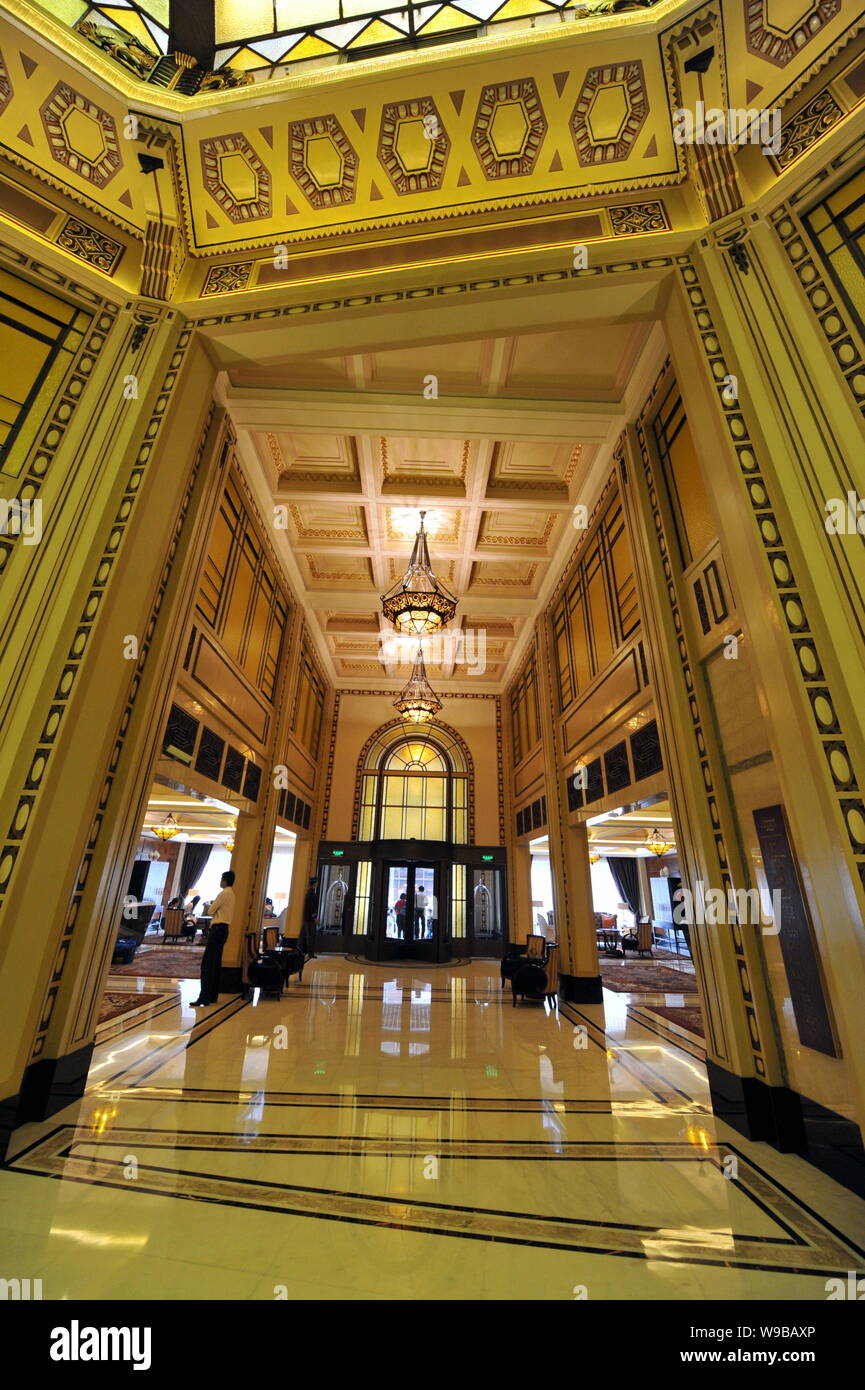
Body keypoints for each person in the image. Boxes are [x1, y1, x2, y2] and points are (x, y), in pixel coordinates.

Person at [192, 871, 235, 1006]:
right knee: (215, 963)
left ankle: (204, 997)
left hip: (217, 930)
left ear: (225, 880)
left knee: (207, 964)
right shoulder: (232, 894)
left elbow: (210, 911)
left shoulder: (224, 893)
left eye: (221, 879)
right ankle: (212, 995)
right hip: (224, 930)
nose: (220, 881)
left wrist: (212, 905)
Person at [299, 875, 318, 958]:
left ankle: (308, 952)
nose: (317, 883)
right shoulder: (311, 893)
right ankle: (310, 953)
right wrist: (315, 917)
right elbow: (311, 906)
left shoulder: (311, 892)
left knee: (307, 935)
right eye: (317, 882)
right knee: (310, 936)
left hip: (308, 918)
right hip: (309, 918)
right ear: (314, 883)